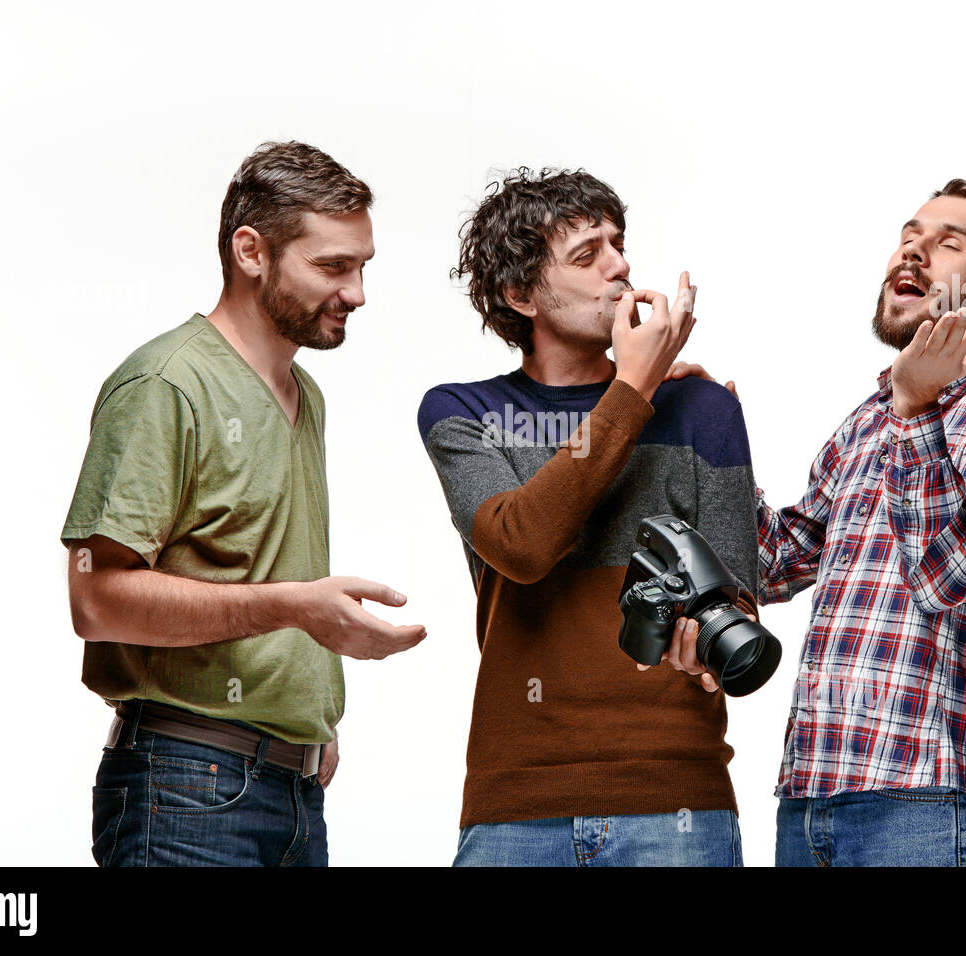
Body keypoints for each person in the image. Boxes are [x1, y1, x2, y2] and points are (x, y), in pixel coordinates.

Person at [669, 179, 966, 866]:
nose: (912, 253)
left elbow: (951, 579)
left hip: (927, 801)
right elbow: (773, 565)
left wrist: (917, 408)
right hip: (808, 797)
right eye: (909, 236)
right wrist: (713, 442)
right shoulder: (867, 420)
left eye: (949, 243)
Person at [61, 140, 426, 867]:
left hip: (290, 791)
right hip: (186, 790)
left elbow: (257, 570)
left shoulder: (305, 396)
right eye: (332, 266)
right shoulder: (168, 384)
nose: (357, 293)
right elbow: (96, 600)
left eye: (362, 266)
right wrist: (295, 606)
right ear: (251, 251)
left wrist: (302, 723)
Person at [417, 167, 763, 866]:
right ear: (521, 296)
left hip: (676, 806)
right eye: (588, 254)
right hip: (516, 809)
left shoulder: (702, 412)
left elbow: (739, 608)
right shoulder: (464, 413)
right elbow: (522, 544)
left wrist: (708, 646)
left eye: (619, 243)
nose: (622, 266)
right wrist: (633, 387)